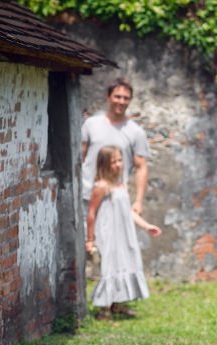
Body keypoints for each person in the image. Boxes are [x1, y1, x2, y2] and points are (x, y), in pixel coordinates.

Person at [85, 145, 161, 320]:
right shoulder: (101, 186)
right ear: (105, 164)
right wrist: (90, 239)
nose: (118, 164)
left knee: (125, 263)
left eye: (120, 160)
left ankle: (119, 304)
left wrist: (146, 226)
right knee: (110, 267)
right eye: (113, 161)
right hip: (108, 232)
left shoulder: (120, 184)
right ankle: (104, 309)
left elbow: (128, 211)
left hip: (123, 233)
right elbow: (91, 213)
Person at [81, 78, 150, 218]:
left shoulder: (136, 132)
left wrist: (138, 202)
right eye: (117, 97)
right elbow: (81, 158)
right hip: (87, 196)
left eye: (126, 98)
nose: (121, 101)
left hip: (115, 199)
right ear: (108, 97)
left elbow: (141, 167)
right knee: (88, 239)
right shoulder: (91, 124)